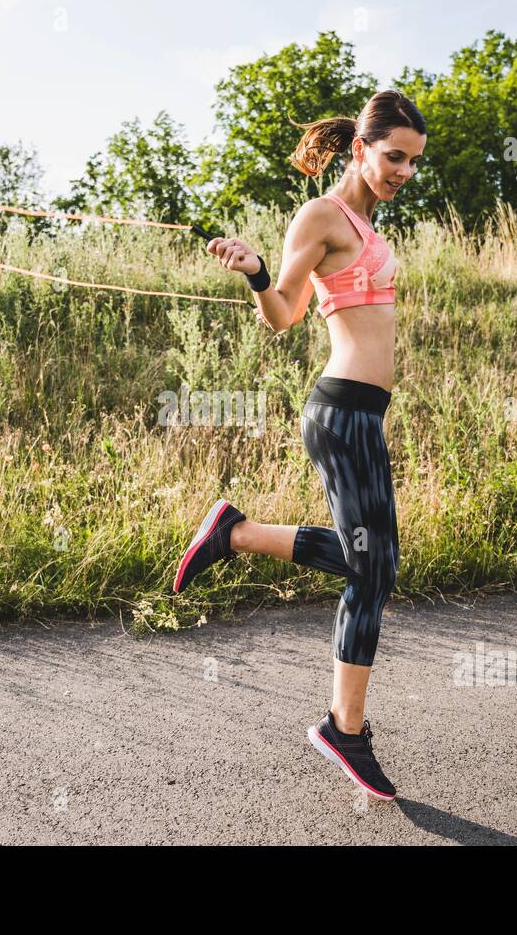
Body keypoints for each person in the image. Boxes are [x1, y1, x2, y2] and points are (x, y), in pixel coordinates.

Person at [171, 89, 427, 801]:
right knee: (373, 571)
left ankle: (237, 532)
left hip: (360, 415)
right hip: (340, 412)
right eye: (393, 157)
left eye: (412, 162)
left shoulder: (366, 221)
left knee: (372, 562)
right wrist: (256, 270)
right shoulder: (321, 215)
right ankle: (345, 729)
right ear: (360, 150)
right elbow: (283, 313)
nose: (404, 171)